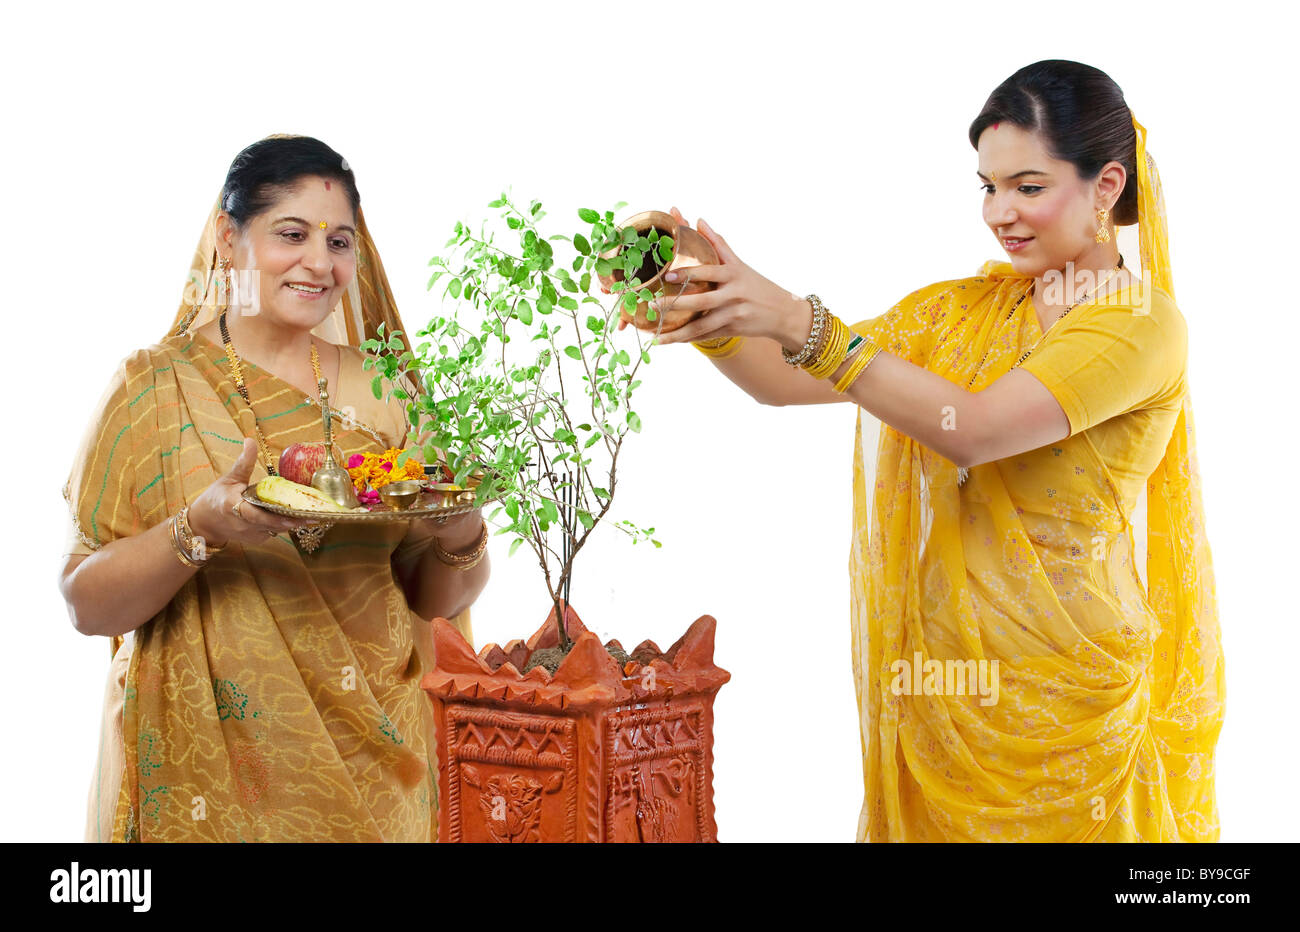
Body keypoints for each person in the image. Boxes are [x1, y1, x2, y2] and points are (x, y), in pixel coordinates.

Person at [649, 61, 1223, 841]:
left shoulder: (1137, 325)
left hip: (1070, 709)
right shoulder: (965, 313)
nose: (1000, 213)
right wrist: (708, 300)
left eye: (1027, 186)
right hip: (943, 701)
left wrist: (795, 319)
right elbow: (785, 382)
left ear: (1107, 185)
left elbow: (975, 428)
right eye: (987, 187)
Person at [59, 135, 488, 842]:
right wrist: (195, 530)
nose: (321, 263)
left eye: (341, 241)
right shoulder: (150, 388)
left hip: (375, 777)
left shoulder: (389, 392)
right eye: (293, 234)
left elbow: (434, 599)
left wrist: (460, 533)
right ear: (228, 239)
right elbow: (84, 603)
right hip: (207, 788)